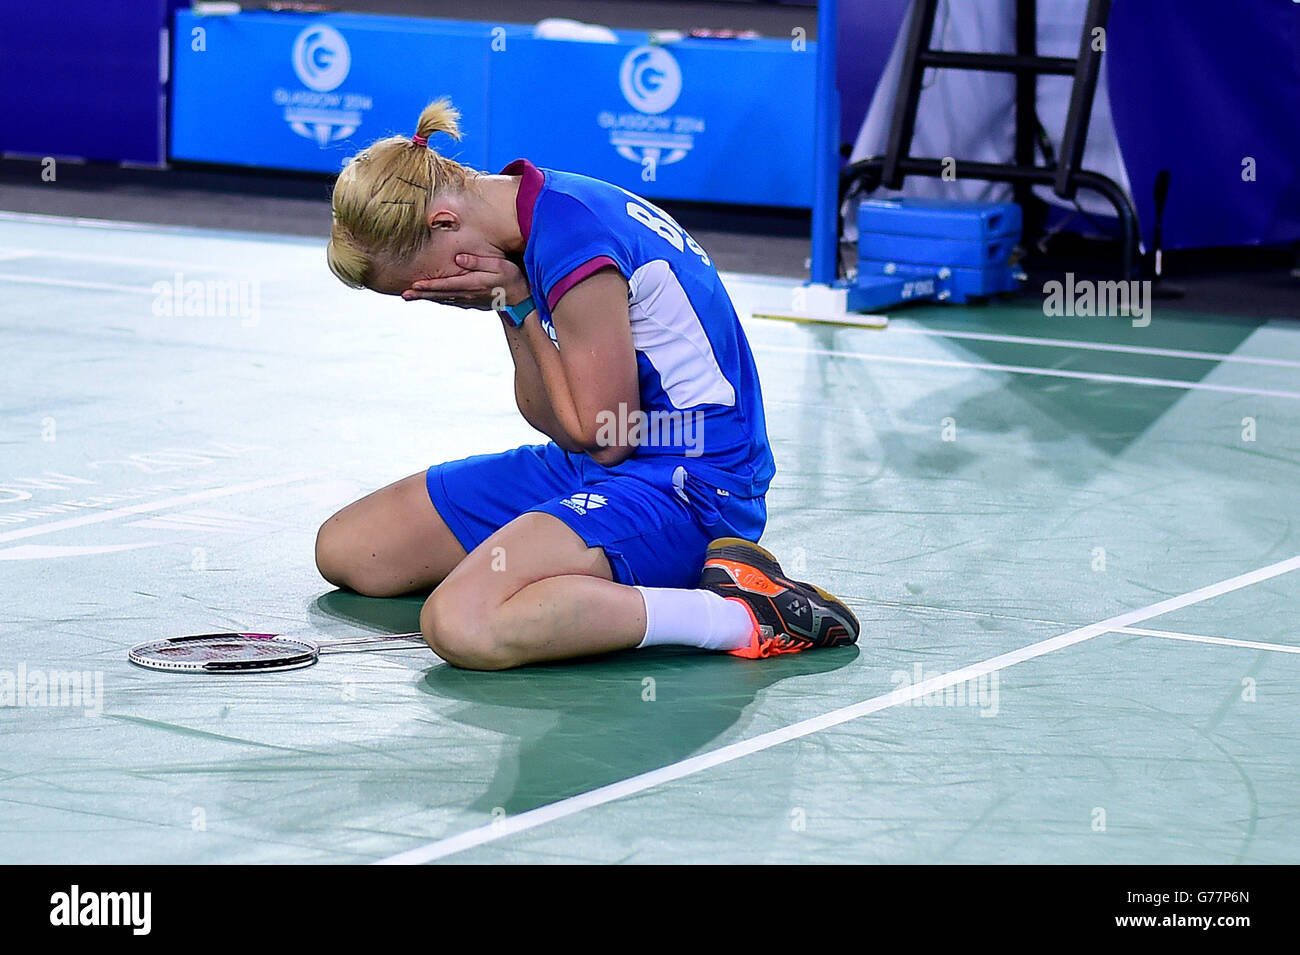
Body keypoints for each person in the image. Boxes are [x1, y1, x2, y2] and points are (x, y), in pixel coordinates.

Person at [315, 99, 859, 670]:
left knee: (463, 621)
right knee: (353, 552)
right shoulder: (524, 212)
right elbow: (554, 419)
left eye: (425, 281)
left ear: (444, 223)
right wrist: (509, 305)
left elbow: (603, 436)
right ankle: (557, 566)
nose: (436, 291)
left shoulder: (575, 242)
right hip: (601, 463)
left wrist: (520, 304)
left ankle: (746, 614)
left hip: (691, 485)